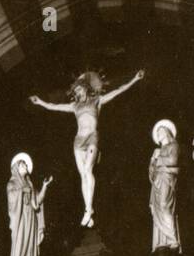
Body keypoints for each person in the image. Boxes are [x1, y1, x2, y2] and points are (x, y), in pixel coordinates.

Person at [30, 68, 145, 227]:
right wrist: (40, 102)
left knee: (88, 170)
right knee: (83, 174)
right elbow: (54, 106)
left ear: (86, 89)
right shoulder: (74, 106)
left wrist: (135, 79)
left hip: (92, 137)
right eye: (76, 90)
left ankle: (88, 209)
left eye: (80, 88)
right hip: (78, 140)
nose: (78, 92)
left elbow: (118, 91)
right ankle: (88, 211)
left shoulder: (97, 100)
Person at [7, 153, 52, 256]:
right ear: (17, 167)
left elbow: (37, 202)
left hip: (30, 217)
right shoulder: (12, 183)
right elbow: (12, 199)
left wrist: (44, 187)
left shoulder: (30, 185)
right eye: (23, 164)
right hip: (20, 217)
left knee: (28, 241)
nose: (26, 166)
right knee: (20, 240)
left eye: (26, 164)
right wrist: (22, 191)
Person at [149, 119, 181, 251]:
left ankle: (172, 238)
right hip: (157, 181)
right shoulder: (157, 150)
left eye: (160, 131)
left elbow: (173, 160)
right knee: (154, 208)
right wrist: (152, 159)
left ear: (167, 132)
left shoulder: (173, 146)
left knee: (163, 205)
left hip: (166, 178)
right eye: (157, 132)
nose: (158, 134)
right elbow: (151, 170)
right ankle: (163, 240)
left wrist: (159, 158)